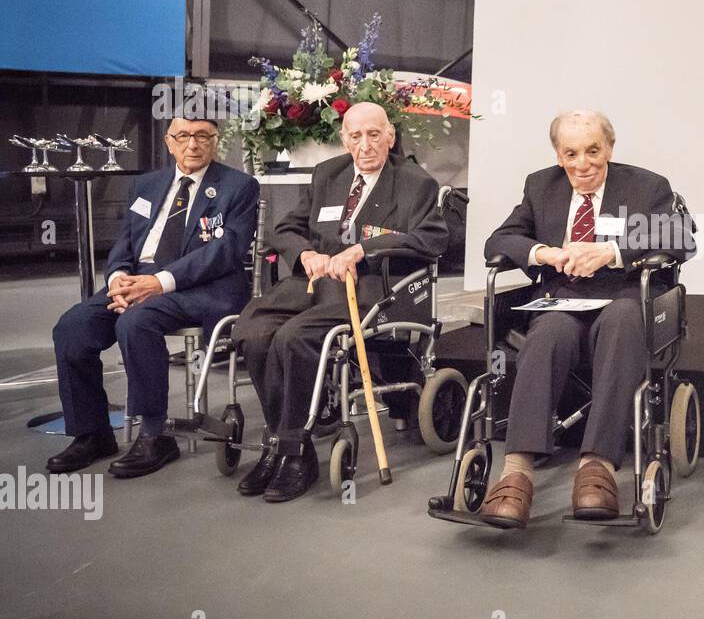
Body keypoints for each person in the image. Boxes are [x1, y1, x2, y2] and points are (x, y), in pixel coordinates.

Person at [474, 109, 692, 528]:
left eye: (593, 151)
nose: (583, 164)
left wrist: (611, 252)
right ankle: (517, 469)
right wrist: (546, 253)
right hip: (563, 298)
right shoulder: (542, 186)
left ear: (609, 146)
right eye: (571, 153)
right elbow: (500, 240)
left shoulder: (646, 186)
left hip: (625, 294)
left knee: (623, 320)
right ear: (558, 154)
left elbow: (679, 237)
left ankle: (597, 466)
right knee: (548, 332)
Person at [230, 102, 448, 503]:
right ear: (344, 139)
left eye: (374, 135)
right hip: (312, 281)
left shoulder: (416, 183)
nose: (365, 145)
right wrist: (304, 254)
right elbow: (287, 228)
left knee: (294, 337)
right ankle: (278, 440)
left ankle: (295, 453)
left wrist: (364, 249)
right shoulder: (327, 174)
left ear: (390, 137)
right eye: (355, 136)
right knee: (254, 329)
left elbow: (431, 239)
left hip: (369, 287)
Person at [49, 115, 258, 478]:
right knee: (72, 327)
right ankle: (92, 433)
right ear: (168, 141)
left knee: (136, 321)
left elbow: (227, 251)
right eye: (183, 136)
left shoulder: (239, 186)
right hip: (138, 282)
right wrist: (117, 278)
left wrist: (159, 282)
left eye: (202, 136)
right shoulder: (146, 185)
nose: (192, 144)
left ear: (215, 141)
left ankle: (155, 433)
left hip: (203, 288)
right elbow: (126, 241)